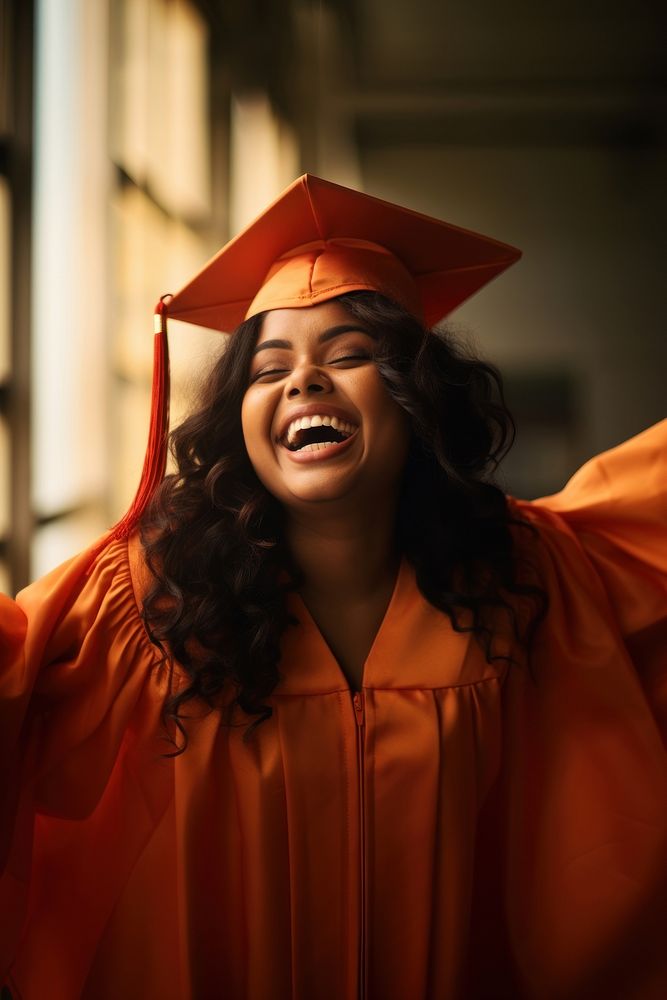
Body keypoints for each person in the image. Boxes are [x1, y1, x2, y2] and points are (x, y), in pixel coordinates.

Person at [1, 175, 666, 1000]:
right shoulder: (145, 605)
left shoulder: (530, 576)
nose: (303, 381)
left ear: (416, 396)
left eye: (349, 355)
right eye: (267, 368)